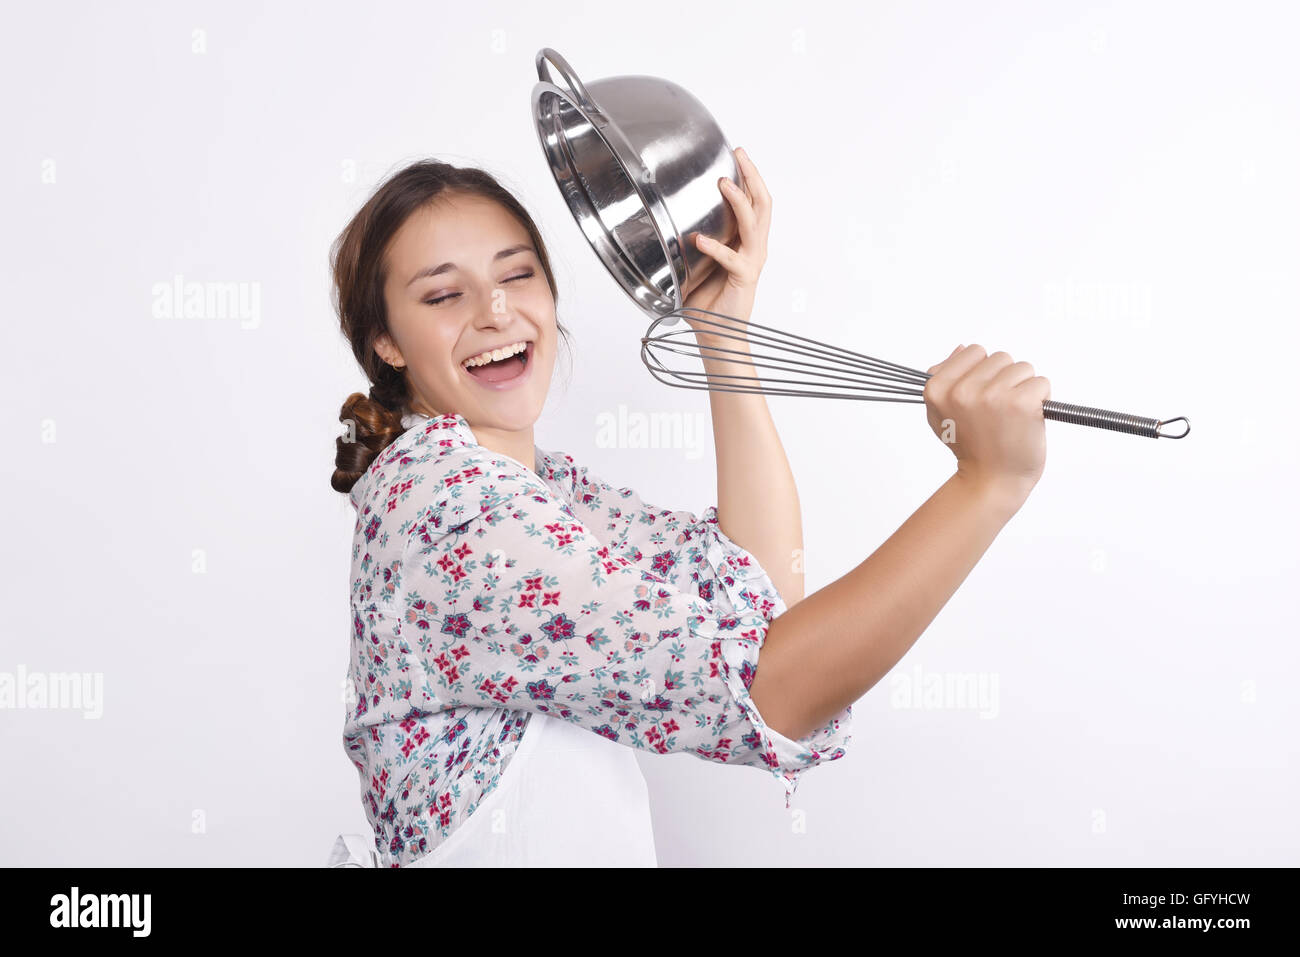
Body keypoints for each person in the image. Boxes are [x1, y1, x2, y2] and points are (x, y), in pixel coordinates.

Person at [328, 152, 1049, 868]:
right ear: (386, 341)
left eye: (517, 274)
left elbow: (763, 593)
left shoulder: (542, 490)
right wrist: (985, 487)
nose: (495, 310)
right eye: (441, 296)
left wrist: (724, 332)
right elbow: (775, 691)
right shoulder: (447, 508)